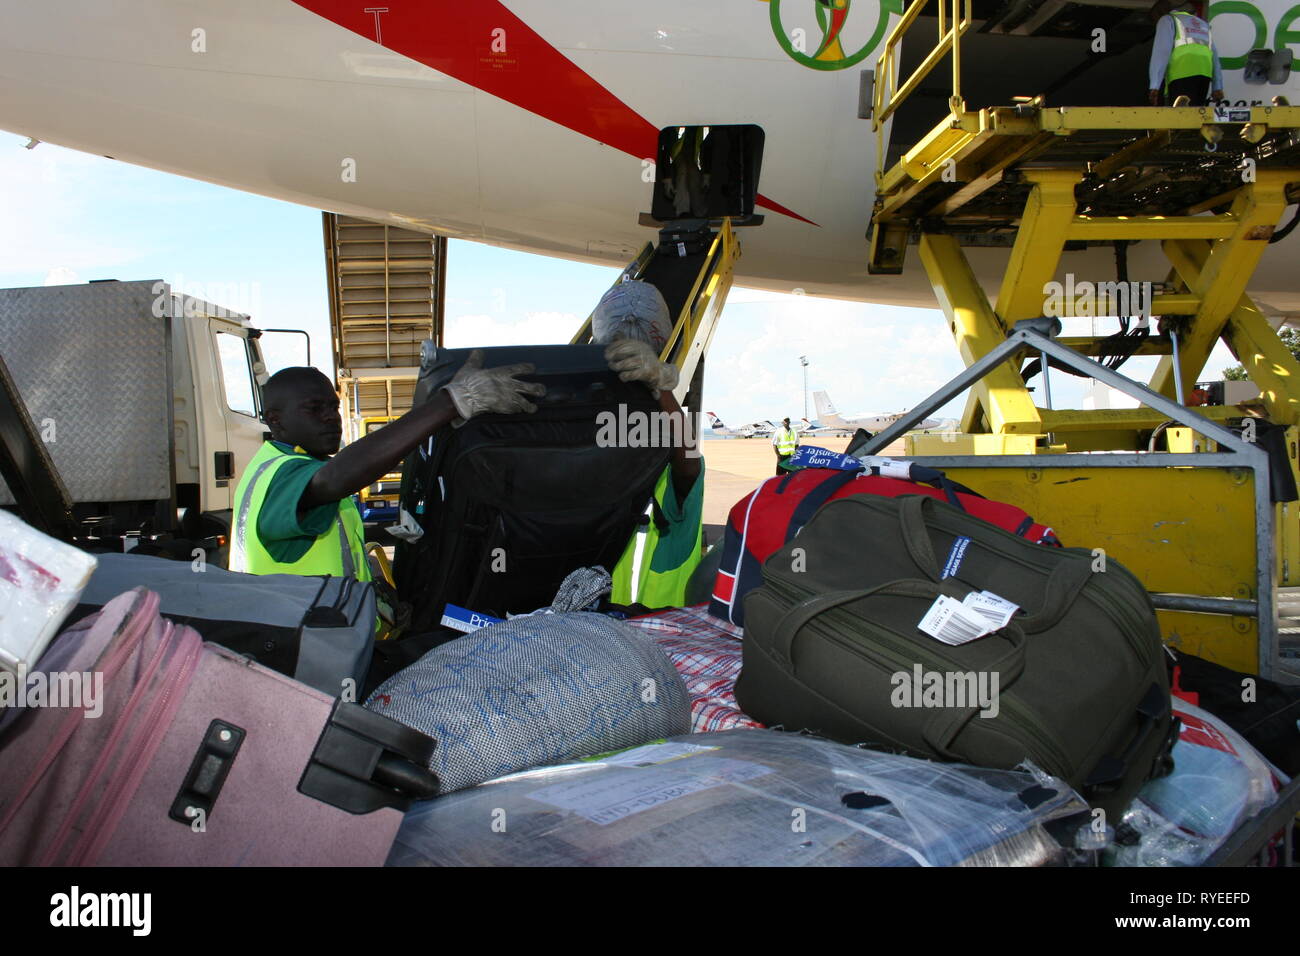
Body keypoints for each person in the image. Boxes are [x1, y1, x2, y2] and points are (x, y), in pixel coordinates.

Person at [229, 356, 544, 579]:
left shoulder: (279, 465)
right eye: (314, 409)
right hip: (300, 654)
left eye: (333, 407)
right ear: (275, 420)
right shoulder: (280, 474)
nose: (330, 417)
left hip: (320, 642)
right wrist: (452, 402)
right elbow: (334, 478)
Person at [592, 280, 705, 608]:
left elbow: (688, 463)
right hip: (595, 627)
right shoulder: (599, 451)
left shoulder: (670, 463)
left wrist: (661, 389)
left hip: (658, 627)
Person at [1147, 0, 1224, 107]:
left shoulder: (1167, 20)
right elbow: (1214, 56)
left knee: (1180, 117)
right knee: (1196, 113)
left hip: (1181, 72)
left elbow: (1161, 53)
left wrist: (1154, 86)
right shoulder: (1203, 24)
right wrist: (1217, 87)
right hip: (1204, 75)